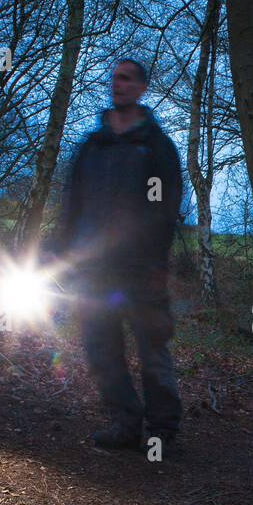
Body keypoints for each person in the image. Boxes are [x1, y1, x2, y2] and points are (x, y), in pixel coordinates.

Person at [53, 58, 184, 452]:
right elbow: (72, 204)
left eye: (126, 79)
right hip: (94, 271)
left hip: (142, 270)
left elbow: (165, 208)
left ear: (142, 88)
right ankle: (125, 424)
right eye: (114, 78)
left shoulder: (156, 147)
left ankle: (162, 433)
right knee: (101, 348)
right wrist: (60, 252)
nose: (118, 85)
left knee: (152, 349)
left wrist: (156, 261)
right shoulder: (92, 147)